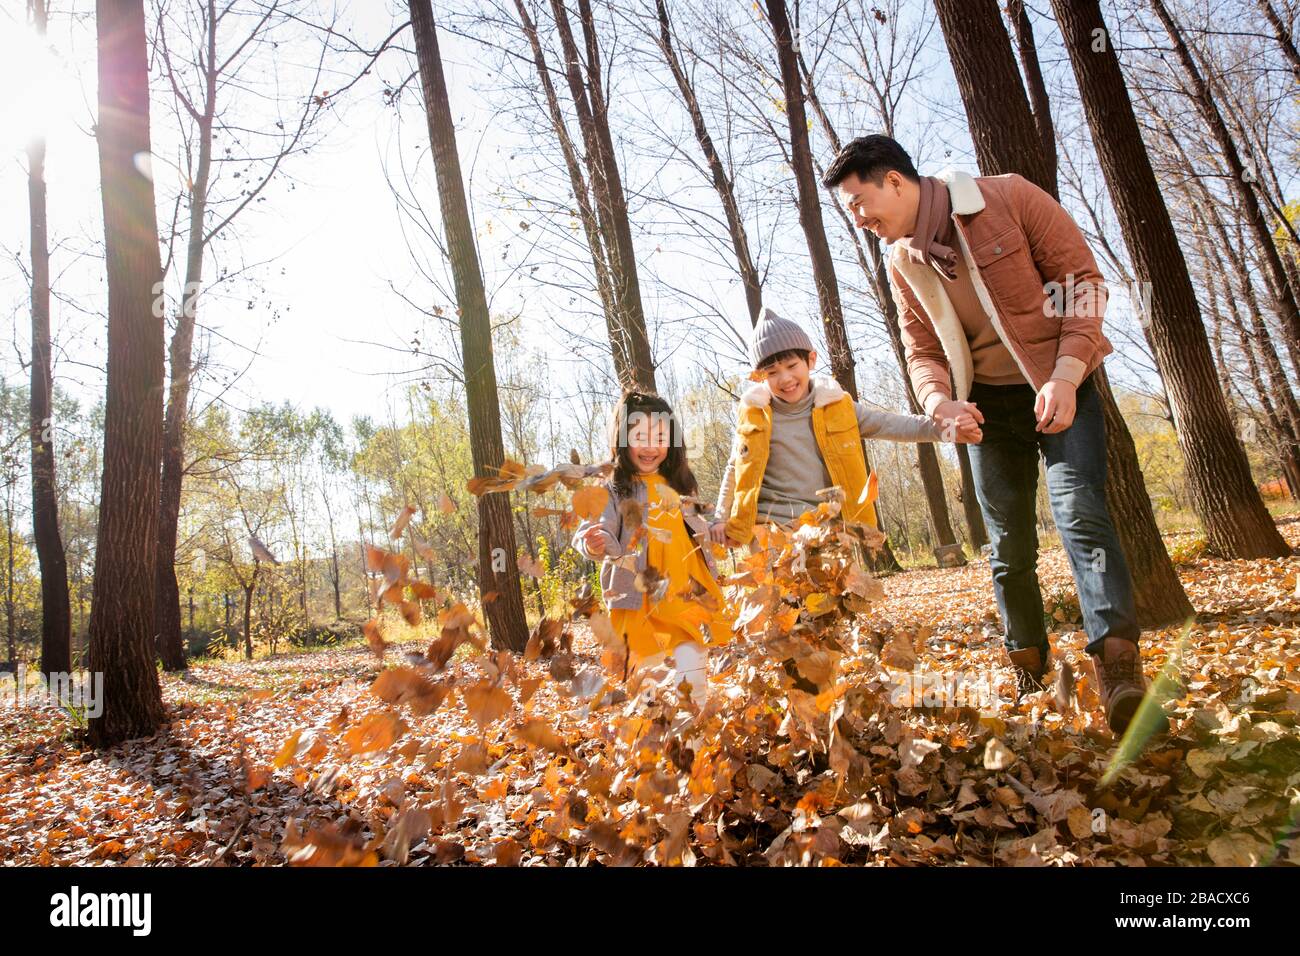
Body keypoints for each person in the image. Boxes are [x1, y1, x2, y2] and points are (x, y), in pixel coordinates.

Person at [821, 132, 1162, 735]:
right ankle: (1028, 665)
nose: (860, 219)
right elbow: (920, 349)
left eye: (858, 202)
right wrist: (939, 402)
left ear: (894, 182)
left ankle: (1119, 668)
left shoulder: (1008, 198)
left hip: (1061, 385)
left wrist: (1064, 375)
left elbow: (1082, 283)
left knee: (1082, 512)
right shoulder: (903, 260)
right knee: (1007, 544)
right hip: (986, 410)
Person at [710, 307, 978, 549]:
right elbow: (735, 468)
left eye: (792, 366)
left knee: (831, 603)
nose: (785, 378)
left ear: (811, 361)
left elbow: (893, 424)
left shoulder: (837, 407)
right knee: (782, 603)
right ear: (760, 376)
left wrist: (949, 429)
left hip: (828, 529)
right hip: (771, 532)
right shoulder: (755, 415)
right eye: (772, 372)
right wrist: (721, 518)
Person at [573, 390, 731, 705]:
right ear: (621, 439)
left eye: (660, 436)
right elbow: (589, 532)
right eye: (640, 436)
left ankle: (693, 743)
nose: (650, 446)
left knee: (692, 675)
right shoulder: (611, 490)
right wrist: (595, 543)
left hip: (684, 598)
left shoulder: (678, 487)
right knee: (647, 692)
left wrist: (721, 531)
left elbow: (703, 530)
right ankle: (652, 745)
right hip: (636, 606)